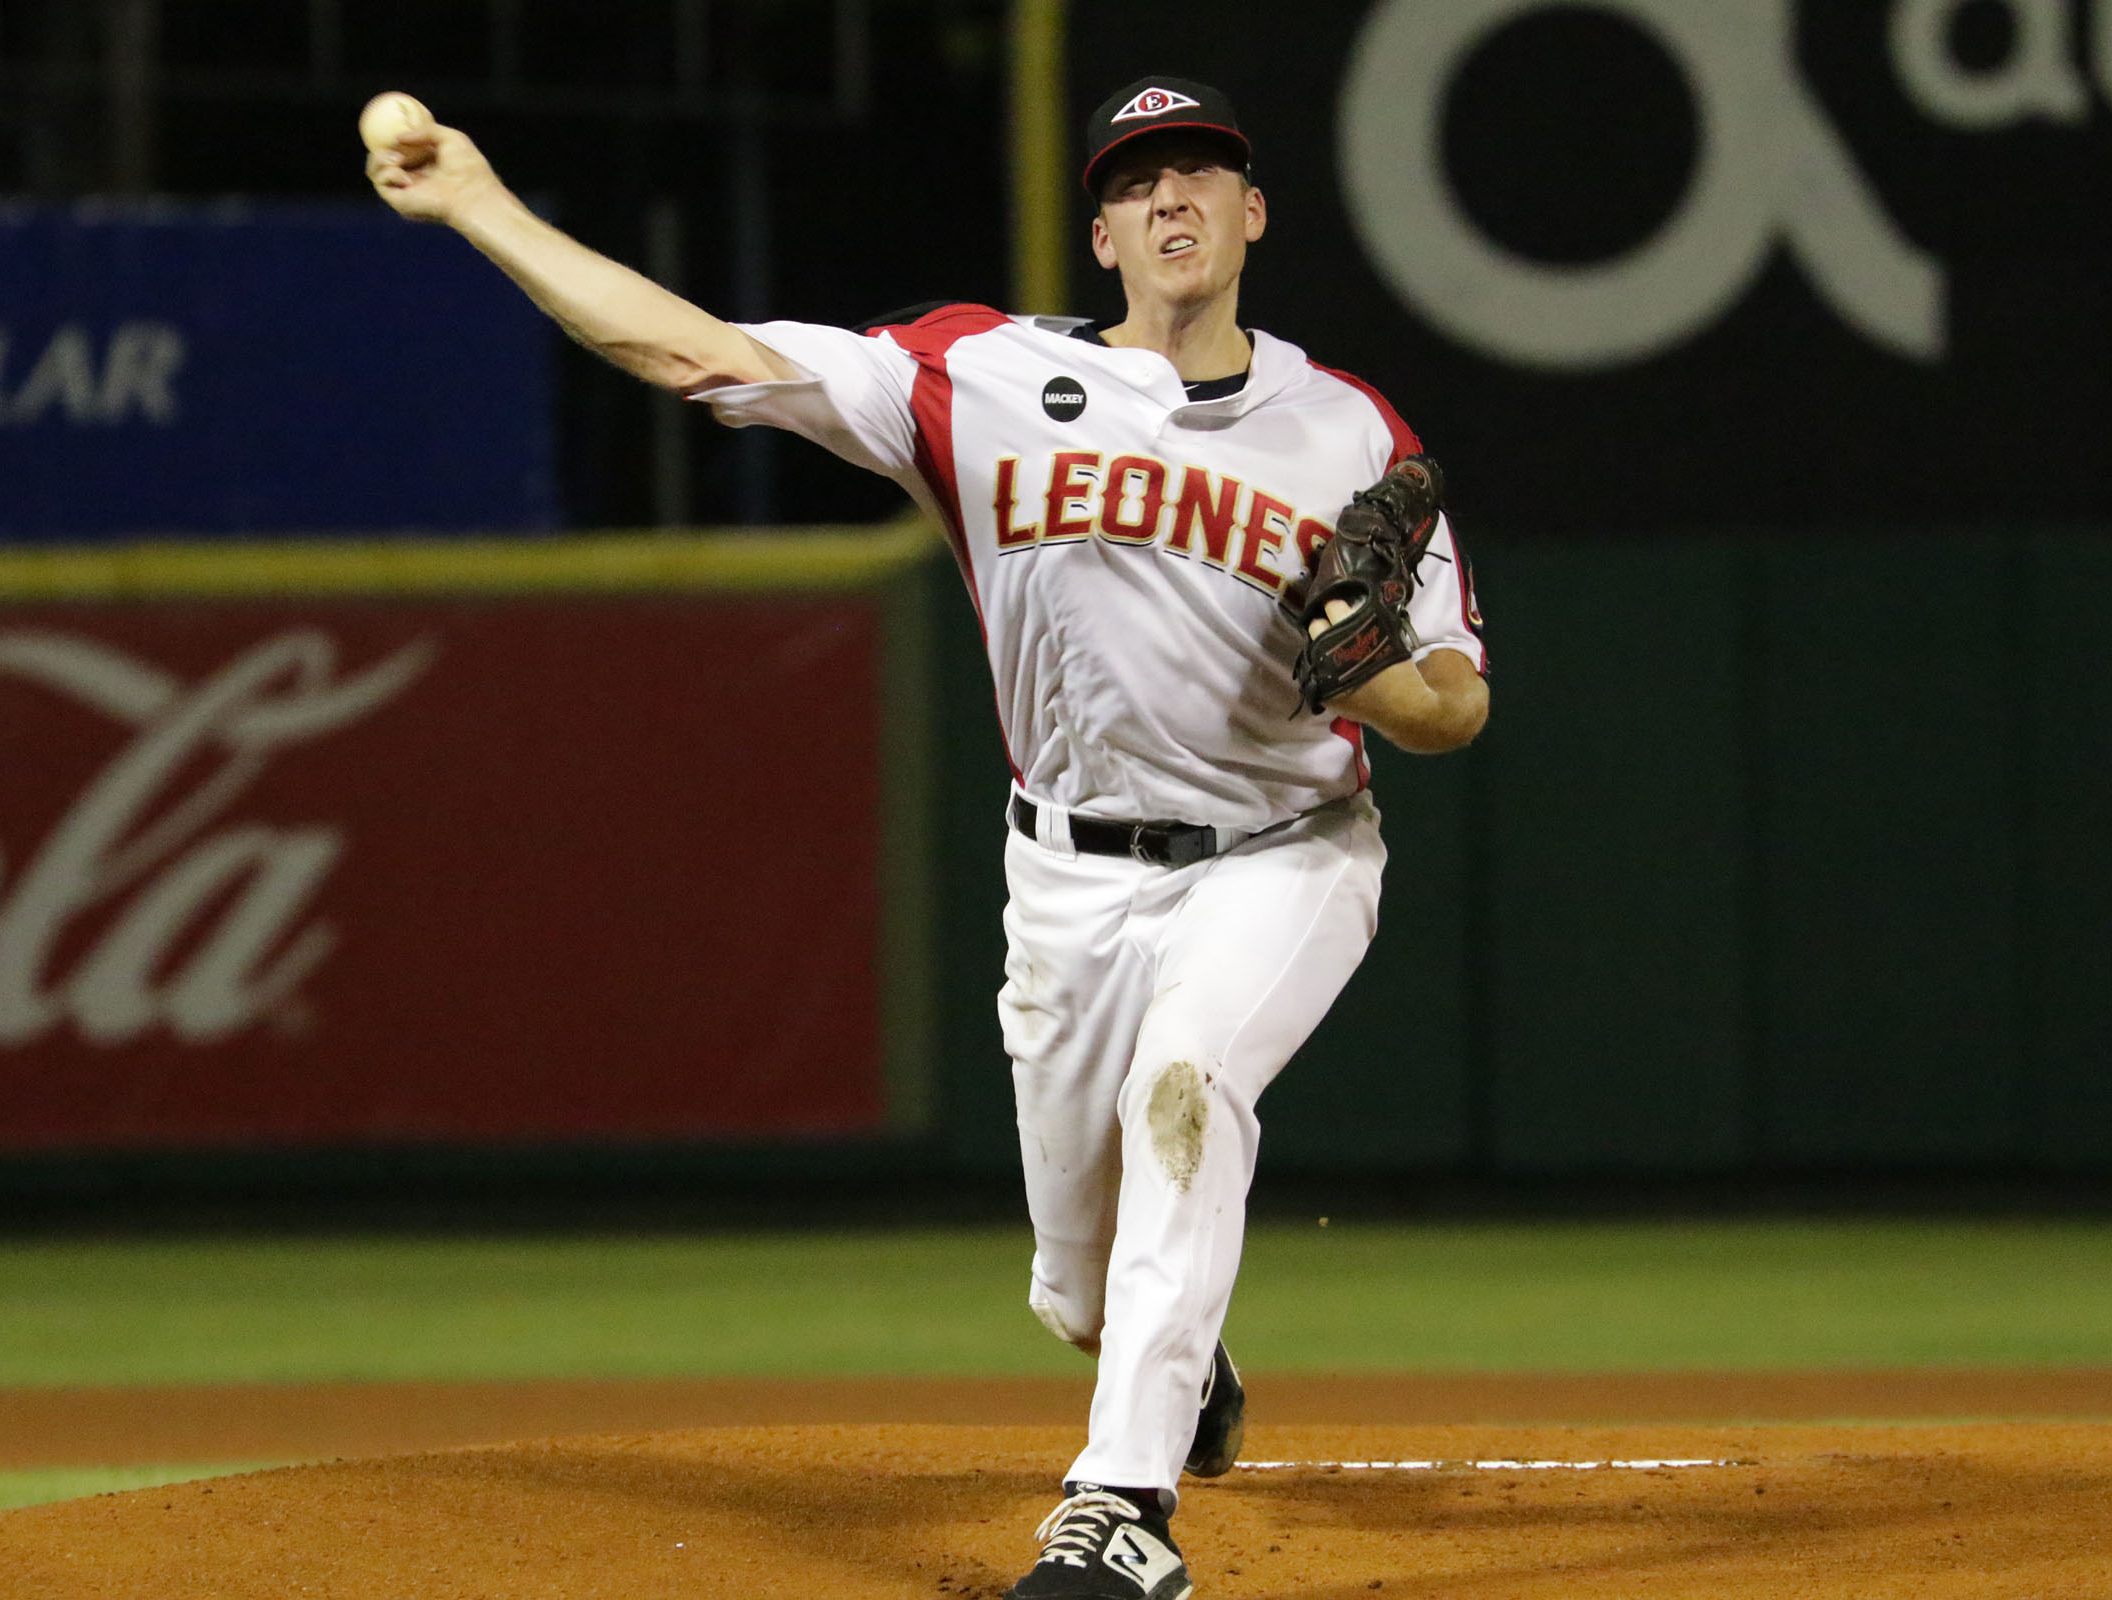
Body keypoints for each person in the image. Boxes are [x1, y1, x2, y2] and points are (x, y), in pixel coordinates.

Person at [367, 72, 1487, 1600]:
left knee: (1189, 1084)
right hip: (1069, 877)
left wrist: (1382, 682)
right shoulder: (977, 377)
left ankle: (1121, 1517)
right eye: (1139, 180)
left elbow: (1456, 706)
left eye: (1204, 172)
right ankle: (1174, 1358)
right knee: (1074, 1289)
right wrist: (481, 207)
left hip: (1286, 849)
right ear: (1099, 230)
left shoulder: (1348, 429)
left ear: (1253, 213)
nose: (1174, 200)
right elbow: (693, 351)